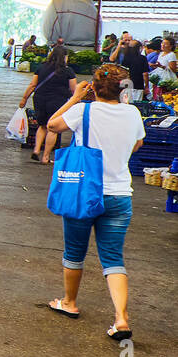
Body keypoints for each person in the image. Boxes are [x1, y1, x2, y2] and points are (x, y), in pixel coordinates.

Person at [44, 66, 145, 340]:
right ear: (123, 89)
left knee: (75, 252)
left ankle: (69, 302)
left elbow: (51, 125)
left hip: (83, 193)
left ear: (94, 89)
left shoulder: (83, 111)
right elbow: (137, 144)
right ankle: (121, 318)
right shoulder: (133, 113)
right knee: (113, 258)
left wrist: (75, 98)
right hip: (120, 195)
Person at [19, 44, 76, 165]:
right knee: (53, 129)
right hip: (57, 101)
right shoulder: (68, 71)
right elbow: (73, 90)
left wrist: (24, 99)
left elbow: (33, 85)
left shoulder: (41, 67)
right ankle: (45, 157)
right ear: (64, 57)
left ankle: (36, 150)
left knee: (42, 125)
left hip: (40, 99)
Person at [108, 33, 149, 101]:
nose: (127, 42)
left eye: (129, 40)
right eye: (125, 40)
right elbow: (112, 59)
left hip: (128, 82)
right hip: (124, 80)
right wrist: (119, 46)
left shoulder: (132, 56)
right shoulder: (118, 49)